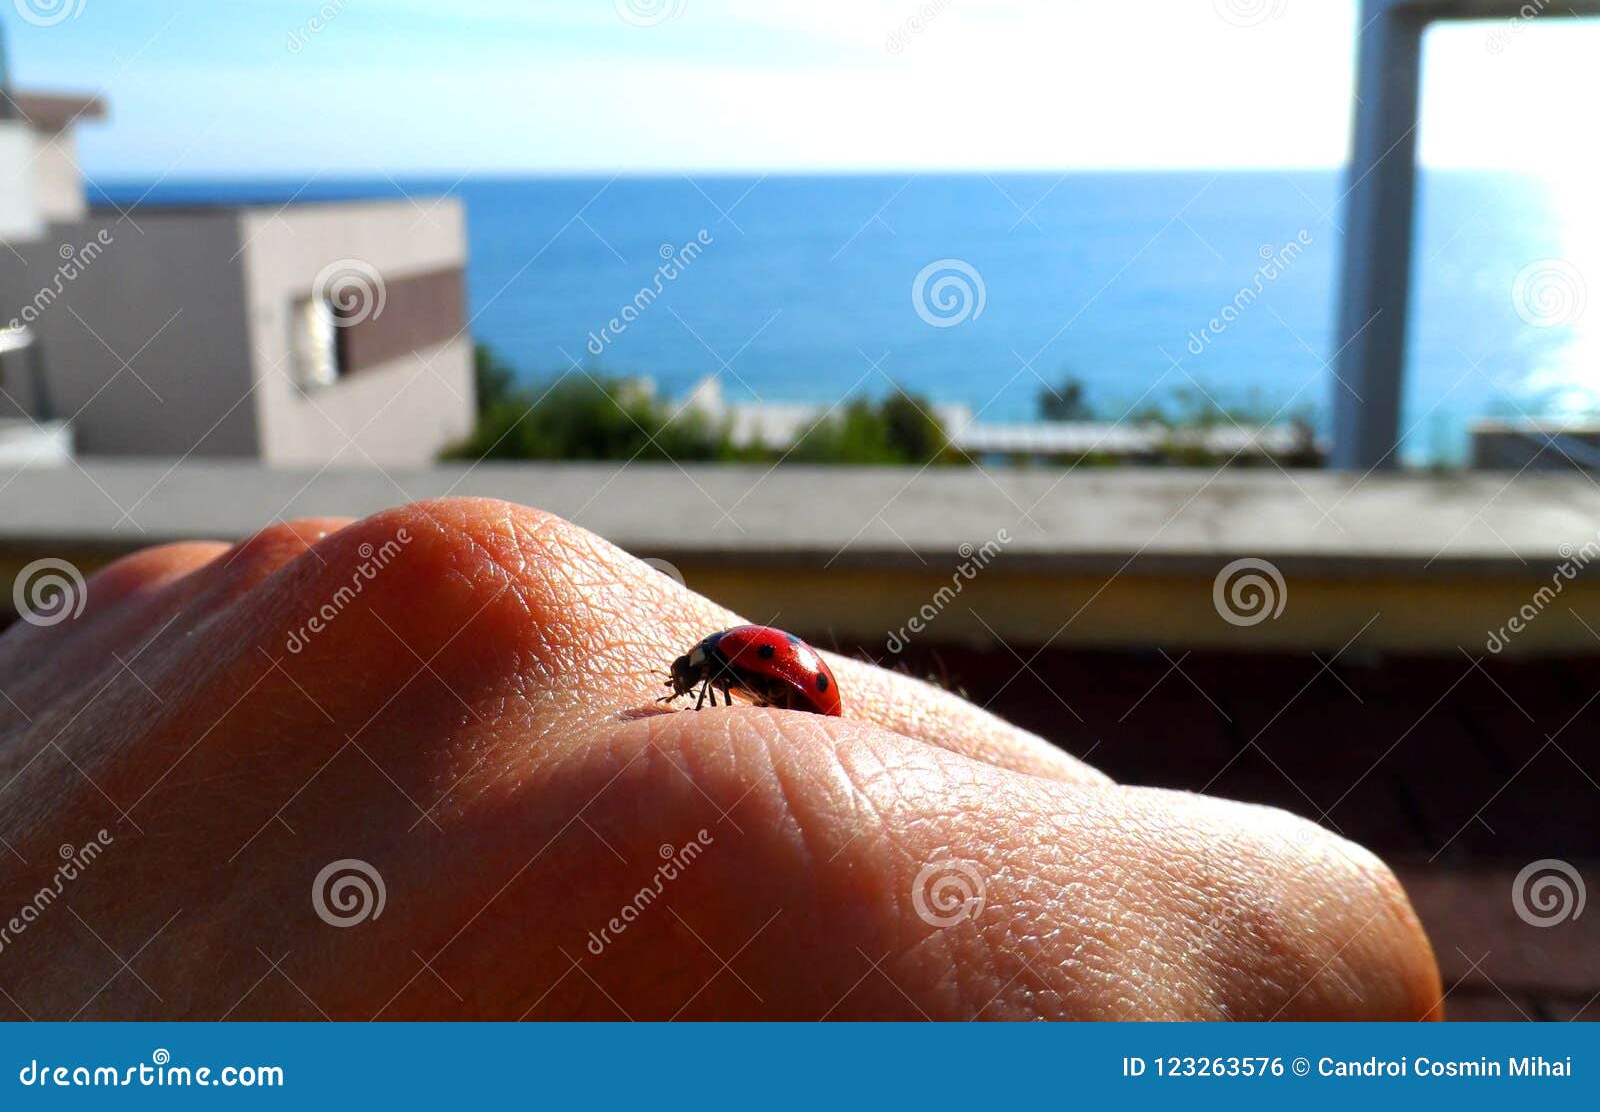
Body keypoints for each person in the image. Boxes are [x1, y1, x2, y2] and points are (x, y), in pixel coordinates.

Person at [0, 498, 1441, 1020]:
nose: (694, 685)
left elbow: (758, 708)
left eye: (699, 677)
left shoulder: (733, 684)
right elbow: (750, 698)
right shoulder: (730, 677)